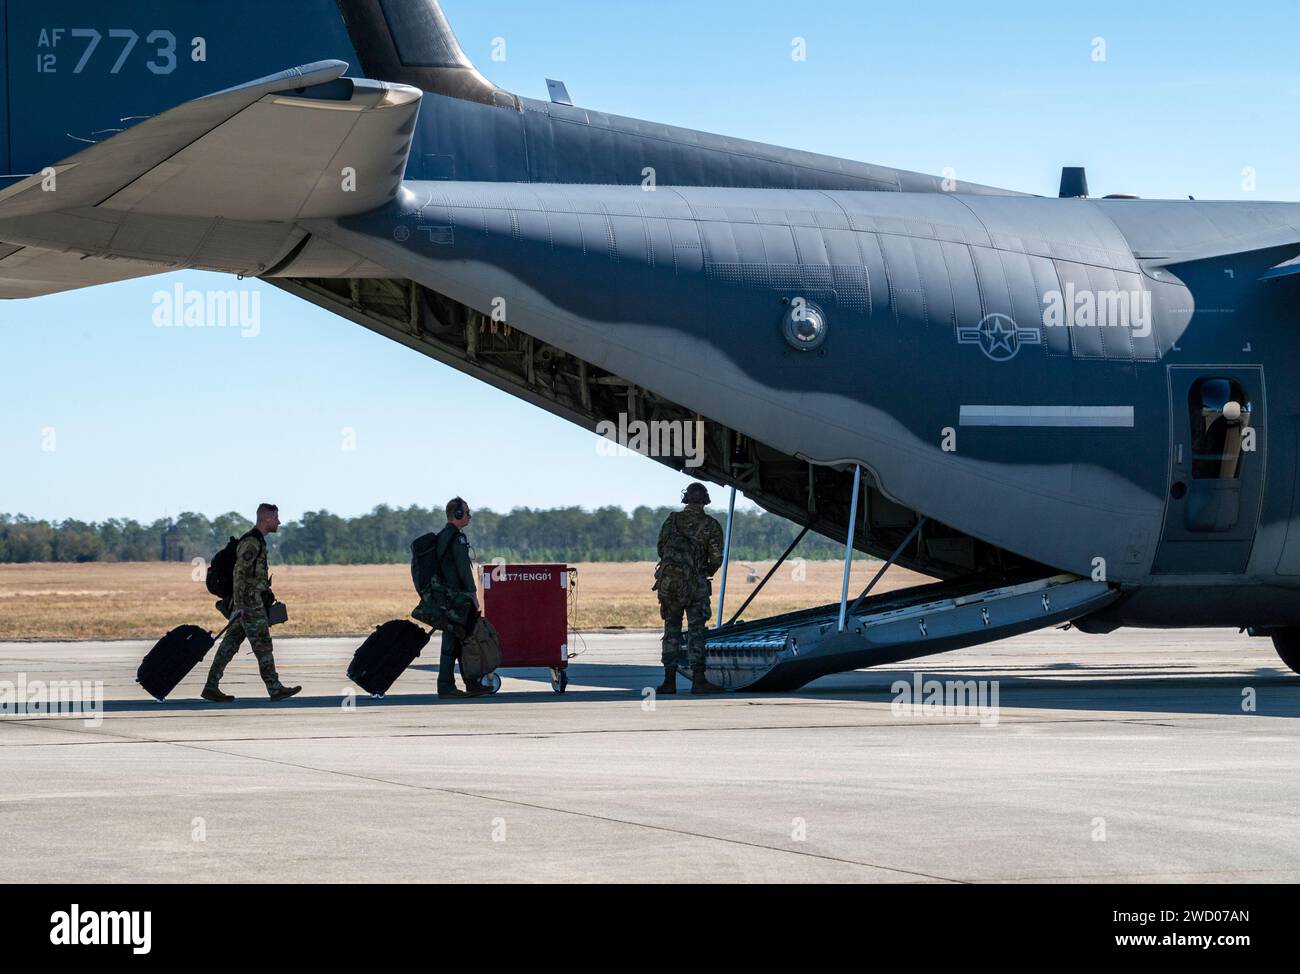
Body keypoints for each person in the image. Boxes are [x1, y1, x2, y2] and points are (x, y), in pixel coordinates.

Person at [201, 503, 301, 702]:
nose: (279, 521)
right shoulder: (251, 542)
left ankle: (211, 686)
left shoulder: (257, 541)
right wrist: (240, 605)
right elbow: (240, 574)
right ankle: (274, 687)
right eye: (275, 518)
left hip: (246, 603)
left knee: (229, 645)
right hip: (248, 604)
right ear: (266, 519)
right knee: (262, 644)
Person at [654, 483, 725, 695]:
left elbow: (660, 548)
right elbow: (716, 558)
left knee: (671, 630)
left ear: (686, 499)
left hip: (670, 584)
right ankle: (699, 680)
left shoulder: (672, 520)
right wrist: (701, 570)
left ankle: (668, 681)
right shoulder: (710, 525)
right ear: (705, 500)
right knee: (696, 632)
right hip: (695, 585)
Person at [432, 497, 488, 698]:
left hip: (446, 598)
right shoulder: (457, 538)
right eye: (466, 512)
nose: (469, 516)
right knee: (460, 641)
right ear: (457, 515)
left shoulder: (442, 537)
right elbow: (464, 570)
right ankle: (449, 685)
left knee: (457, 640)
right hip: (458, 599)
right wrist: (473, 595)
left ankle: (467, 683)